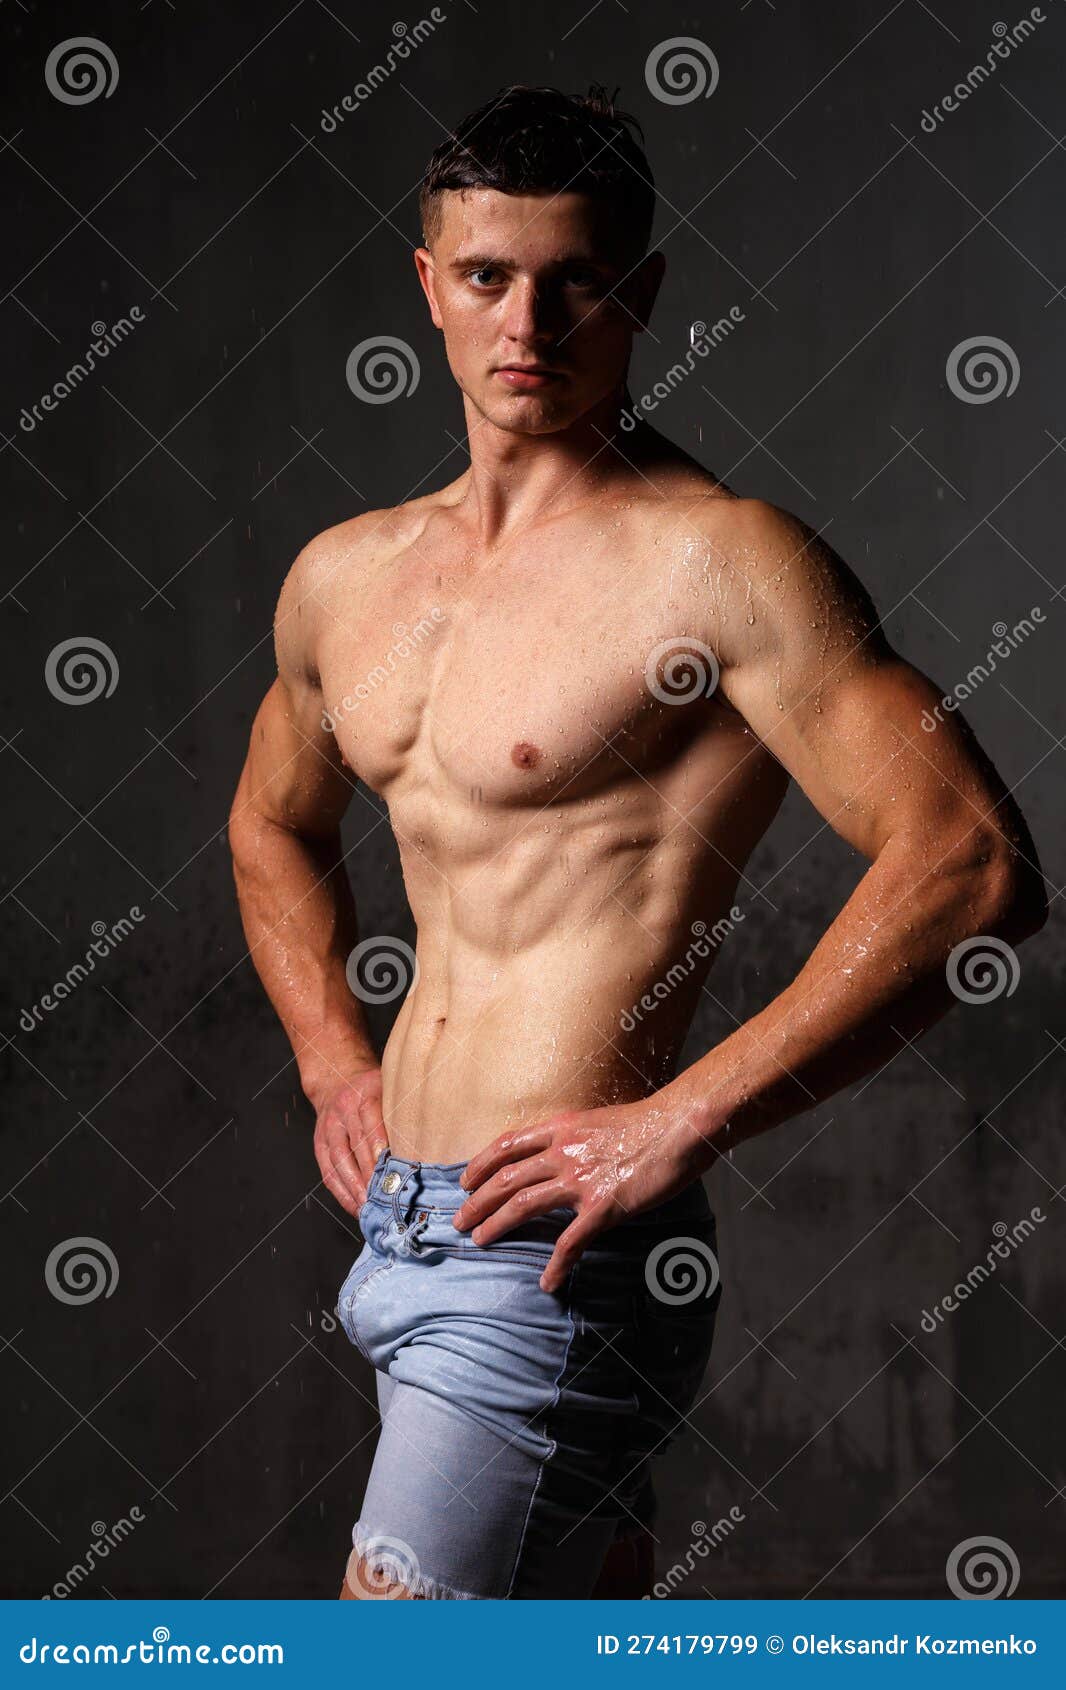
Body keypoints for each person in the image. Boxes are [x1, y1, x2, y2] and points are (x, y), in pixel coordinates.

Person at [227, 84, 1047, 1601]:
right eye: (484, 276)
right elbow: (270, 823)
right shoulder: (345, 577)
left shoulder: (719, 561)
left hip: (547, 1263)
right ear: (427, 284)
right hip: (401, 1231)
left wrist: (677, 1117)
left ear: (642, 290)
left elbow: (971, 865)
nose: (524, 319)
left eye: (574, 276)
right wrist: (332, 1058)